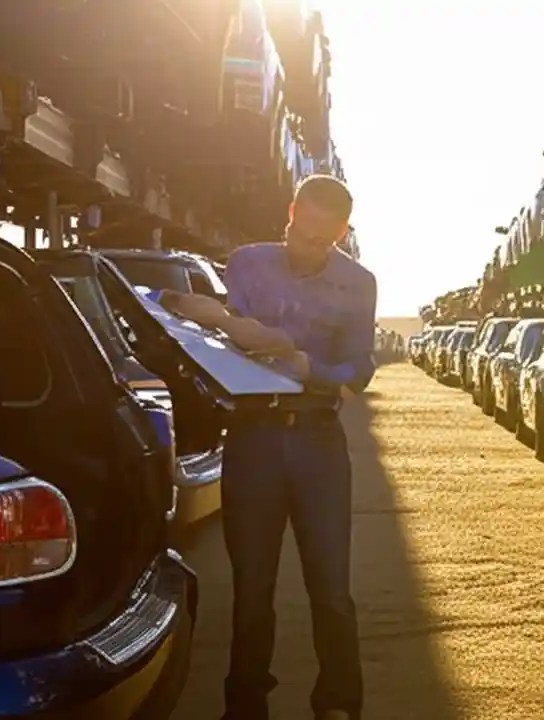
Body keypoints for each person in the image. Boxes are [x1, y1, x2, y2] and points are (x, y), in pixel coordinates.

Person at [163, 174, 376, 720]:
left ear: (341, 233)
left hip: (317, 442)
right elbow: (223, 334)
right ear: (290, 213)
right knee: (251, 586)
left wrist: (314, 369)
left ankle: (338, 704)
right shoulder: (247, 263)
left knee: (330, 586)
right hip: (253, 439)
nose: (307, 250)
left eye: (322, 242)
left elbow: (360, 366)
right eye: (299, 235)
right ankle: (245, 705)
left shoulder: (359, 283)